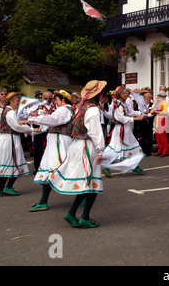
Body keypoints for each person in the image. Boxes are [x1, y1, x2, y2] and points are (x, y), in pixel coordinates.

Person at [46, 80, 107, 228]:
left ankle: (72, 213)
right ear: (99, 94)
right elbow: (95, 131)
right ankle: (84, 216)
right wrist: (101, 150)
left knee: (87, 182)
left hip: (78, 145)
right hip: (88, 146)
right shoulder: (92, 110)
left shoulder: (82, 106)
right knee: (92, 182)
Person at [27, 90, 74, 211]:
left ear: (63, 100)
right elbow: (50, 122)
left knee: (61, 169)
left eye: (57, 99)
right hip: (55, 142)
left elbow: (54, 120)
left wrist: (36, 118)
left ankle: (83, 194)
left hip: (60, 142)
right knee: (52, 170)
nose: (55, 102)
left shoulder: (64, 109)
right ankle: (43, 201)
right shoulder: (62, 110)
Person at [0, 92, 32, 196]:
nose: (18, 103)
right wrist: (28, 129)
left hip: (6, 138)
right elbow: (15, 126)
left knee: (8, 163)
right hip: (11, 139)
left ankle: (1, 189)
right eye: (17, 101)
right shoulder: (10, 112)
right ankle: (8, 187)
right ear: (11, 101)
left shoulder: (8, 110)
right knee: (16, 162)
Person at [105, 85, 145, 173]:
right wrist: (134, 119)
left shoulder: (123, 103)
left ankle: (134, 165)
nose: (126, 94)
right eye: (124, 93)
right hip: (121, 129)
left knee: (130, 145)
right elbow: (120, 118)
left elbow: (130, 112)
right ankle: (106, 163)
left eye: (126, 92)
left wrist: (141, 113)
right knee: (118, 147)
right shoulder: (117, 104)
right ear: (119, 95)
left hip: (125, 129)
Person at [27, 91, 54, 174]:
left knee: (49, 149)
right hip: (39, 129)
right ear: (43, 98)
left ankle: (48, 167)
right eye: (46, 98)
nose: (47, 100)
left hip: (50, 130)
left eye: (49, 98)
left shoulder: (55, 106)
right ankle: (37, 167)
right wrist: (33, 114)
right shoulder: (38, 105)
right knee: (38, 149)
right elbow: (27, 111)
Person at [151, 91, 169, 157]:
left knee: (162, 136)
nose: (157, 97)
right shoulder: (158, 102)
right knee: (158, 135)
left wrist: (156, 111)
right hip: (157, 119)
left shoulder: (165, 103)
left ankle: (165, 150)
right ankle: (160, 149)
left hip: (163, 119)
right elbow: (152, 109)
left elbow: (165, 112)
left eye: (158, 96)